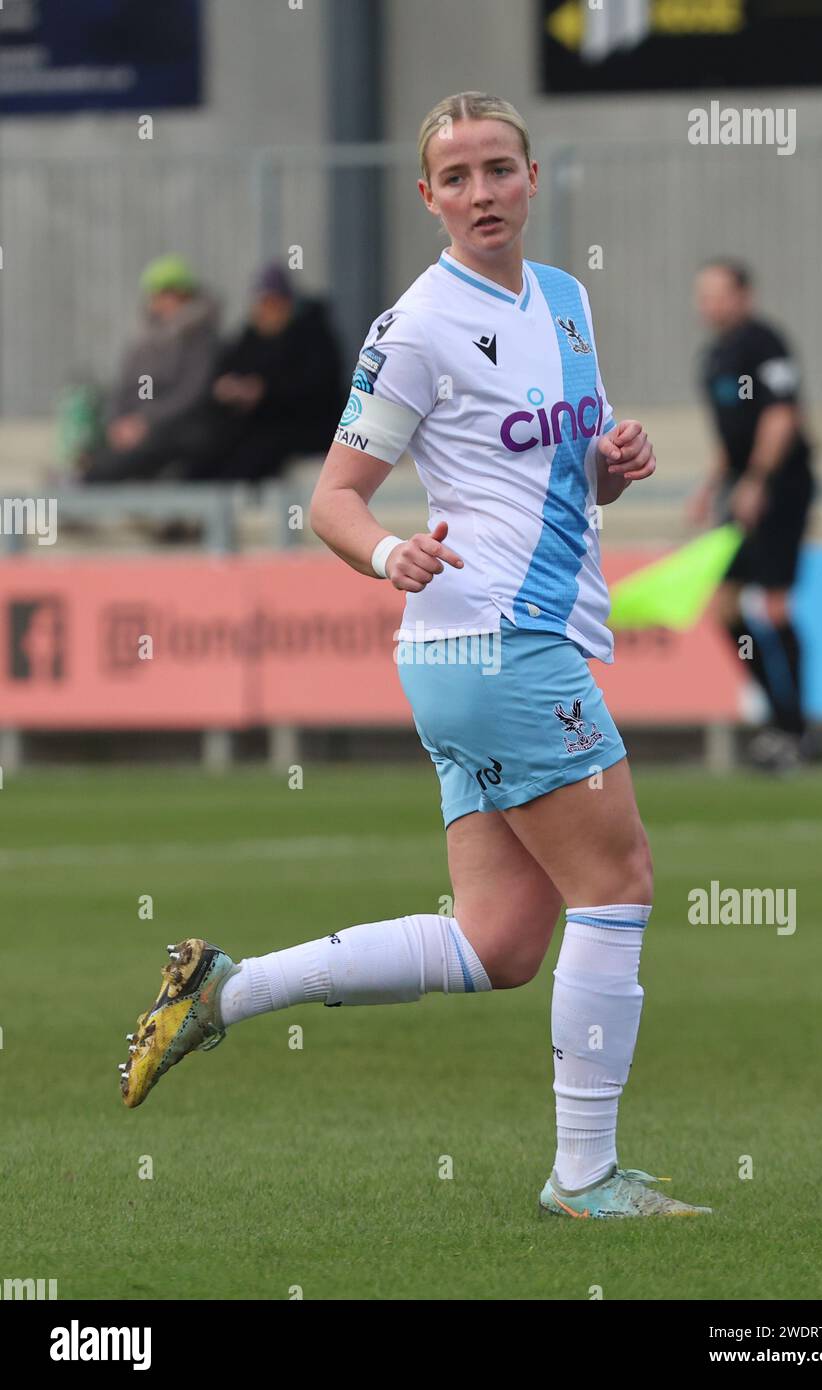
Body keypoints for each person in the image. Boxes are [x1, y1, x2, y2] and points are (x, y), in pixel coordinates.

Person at [118, 93, 711, 1221]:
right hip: (495, 637)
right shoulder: (419, 324)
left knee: (497, 943)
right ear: (429, 195)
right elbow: (331, 498)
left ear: (534, 179)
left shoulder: (568, 299)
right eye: (459, 176)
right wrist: (388, 549)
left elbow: (548, 468)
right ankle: (584, 1178)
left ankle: (227, 990)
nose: (483, 192)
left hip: (495, 645)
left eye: (500, 169)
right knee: (620, 879)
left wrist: (611, 465)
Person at [690, 260, 817, 772]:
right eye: (704, 295)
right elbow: (731, 435)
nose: (710, 305)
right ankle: (780, 718)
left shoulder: (765, 342)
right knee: (724, 608)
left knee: (775, 607)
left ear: (744, 294)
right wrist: (711, 487)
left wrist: (759, 481)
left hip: (780, 488)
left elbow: (781, 414)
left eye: (719, 294)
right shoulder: (714, 356)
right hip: (743, 490)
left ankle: (797, 728)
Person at [177, 263, 344, 482]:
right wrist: (226, 388)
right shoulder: (251, 336)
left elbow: (318, 388)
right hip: (258, 423)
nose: (266, 310)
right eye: (262, 302)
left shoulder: (313, 335)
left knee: (251, 456)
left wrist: (264, 392)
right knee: (203, 456)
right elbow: (226, 371)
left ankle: (225, 513)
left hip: (302, 426)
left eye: (273, 302)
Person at [80, 255, 219, 483]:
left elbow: (191, 394)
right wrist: (119, 422)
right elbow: (124, 388)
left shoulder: (200, 339)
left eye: (166, 293)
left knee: (117, 461)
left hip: (176, 430)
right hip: (136, 428)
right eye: (155, 294)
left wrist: (144, 421)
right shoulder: (145, 339)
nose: (159, 302)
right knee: (91, 445)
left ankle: (84, 484)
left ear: (184, 295)